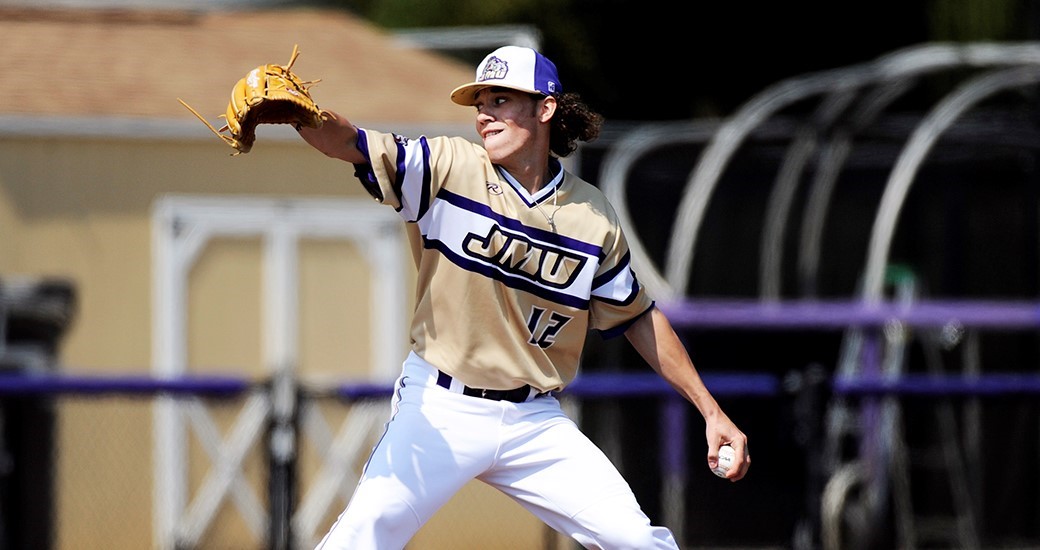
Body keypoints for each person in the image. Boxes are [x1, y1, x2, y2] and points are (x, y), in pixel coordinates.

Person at [298, 45, 750, 550]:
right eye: (480, 103)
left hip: (534, 420)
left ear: (545, 108)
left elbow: (639, 318)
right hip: (443, 404)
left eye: (500, 98)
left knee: (637, 540)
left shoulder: (592, 214)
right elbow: (352, 143)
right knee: (360, 537)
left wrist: (711, 411)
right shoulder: (448, 166)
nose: (484, 113)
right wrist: (304, 116)